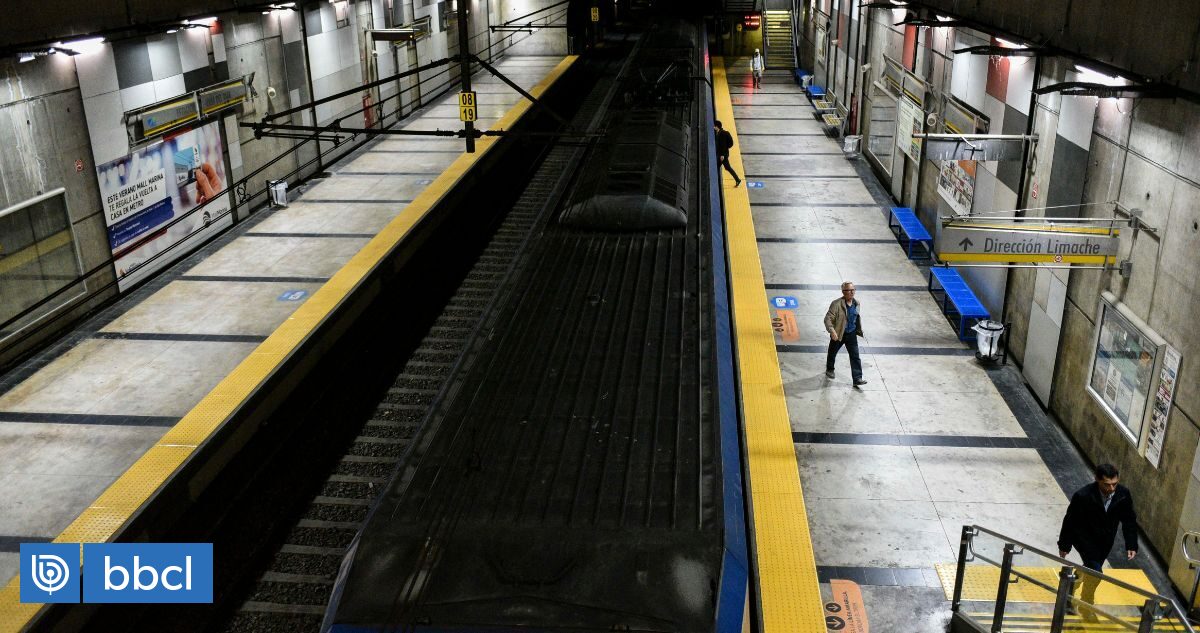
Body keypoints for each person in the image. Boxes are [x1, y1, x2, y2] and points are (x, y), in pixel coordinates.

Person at [1058, 463, 1139, 617]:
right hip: (1084, 538)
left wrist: (1131, 544)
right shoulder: (1083, 496)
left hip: (1105, 540)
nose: (1112, 489)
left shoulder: (1123, 494)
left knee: (1090, 569)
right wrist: (1065, 545)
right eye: (1107, 485)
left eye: (1115, 484)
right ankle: (1086, 603)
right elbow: (1070, 521)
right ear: (1097, 480)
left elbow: (1129, 520)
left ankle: (1069, 585)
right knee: (1096, 571)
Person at [823, 281, 866, 386]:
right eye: (848, 290)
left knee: (855, 356)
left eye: (853, 290)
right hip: (839, 334)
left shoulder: (857, 303)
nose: (851, 292)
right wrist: (832, 331)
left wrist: (858, 329)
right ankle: (830, 369)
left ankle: (857, 378)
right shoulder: (836, 304)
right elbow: (827, 319)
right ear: (843, 292)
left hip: (851, 334)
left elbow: (856, 317)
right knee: (832, 352)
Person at [714, 120, 741, 187]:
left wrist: (722, 155)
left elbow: (723, 145)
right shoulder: (719, 132)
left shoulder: (722, 134)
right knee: (718, 166)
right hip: (721, 154)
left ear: (717, 127)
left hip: (722, 155)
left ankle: (737, 179)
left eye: (714, 126)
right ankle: (716, 181)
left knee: (727, 167)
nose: (713, 127)